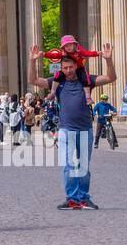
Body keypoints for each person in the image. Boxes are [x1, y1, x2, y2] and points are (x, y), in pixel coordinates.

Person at [27, 43, 117, 211]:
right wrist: (32, 62)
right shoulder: (57, 81)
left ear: (76, 65)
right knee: (68, 165)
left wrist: (109, 60)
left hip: (85, 128)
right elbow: (33, 80)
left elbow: (110, 78)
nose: (68, 70)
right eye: (65, 68)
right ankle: (71, 199)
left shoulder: (87, 80)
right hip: (66, 129)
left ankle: (83, 198)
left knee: (83, 165)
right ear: (61, 68)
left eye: (70, 67)